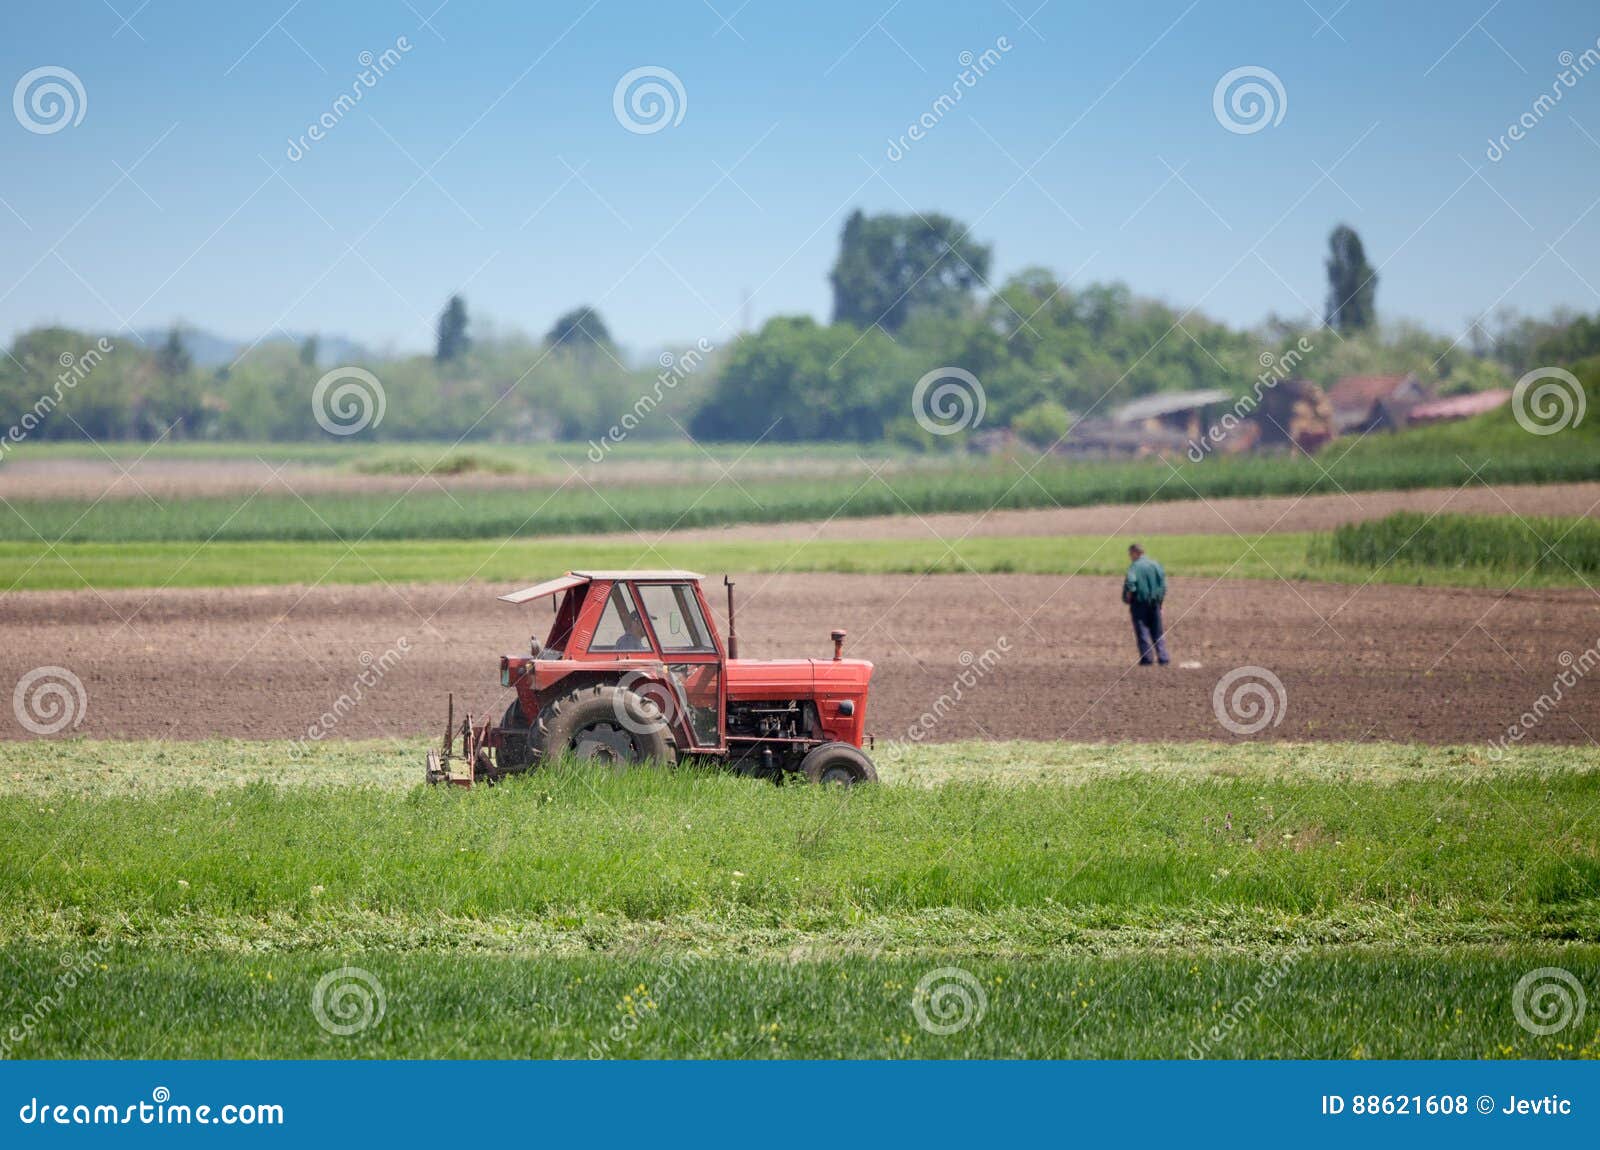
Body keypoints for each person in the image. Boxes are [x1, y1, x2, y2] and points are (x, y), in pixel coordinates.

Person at [1122, 543, 1168, 666]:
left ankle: (1147, 659)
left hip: (1139, 604)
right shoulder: (1156, 565)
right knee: (1157, 631)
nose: (1130, 557)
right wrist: (1160, 603)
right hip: (1155, 603)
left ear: (1136, 553)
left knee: (1142, 631)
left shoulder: (1134, 567)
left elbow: (1131, 584)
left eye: (1130, 554)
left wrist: (1129, 598)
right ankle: (1163, 658)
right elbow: (1163, 586)